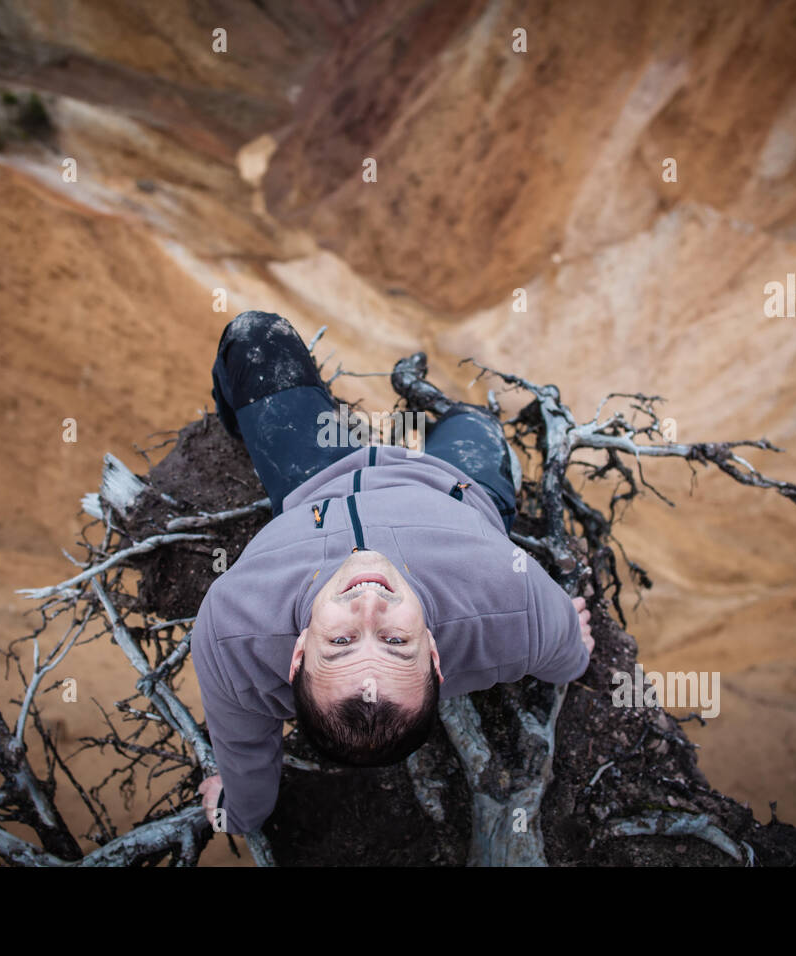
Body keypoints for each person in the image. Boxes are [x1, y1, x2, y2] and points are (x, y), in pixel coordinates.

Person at [191, 311, 594, 834]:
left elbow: (243, 745)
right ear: (433, 652)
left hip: (315, 482)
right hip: (449, 484)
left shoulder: (231, 631)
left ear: (297, 653)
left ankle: (241, 432)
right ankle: (456, 420)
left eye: (339, 641)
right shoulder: (508, 596)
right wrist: (575, 648)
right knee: (474, 423)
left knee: (254, 336)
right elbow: (562, 646)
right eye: (394, 640)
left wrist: (239, 814)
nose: (368, 604)